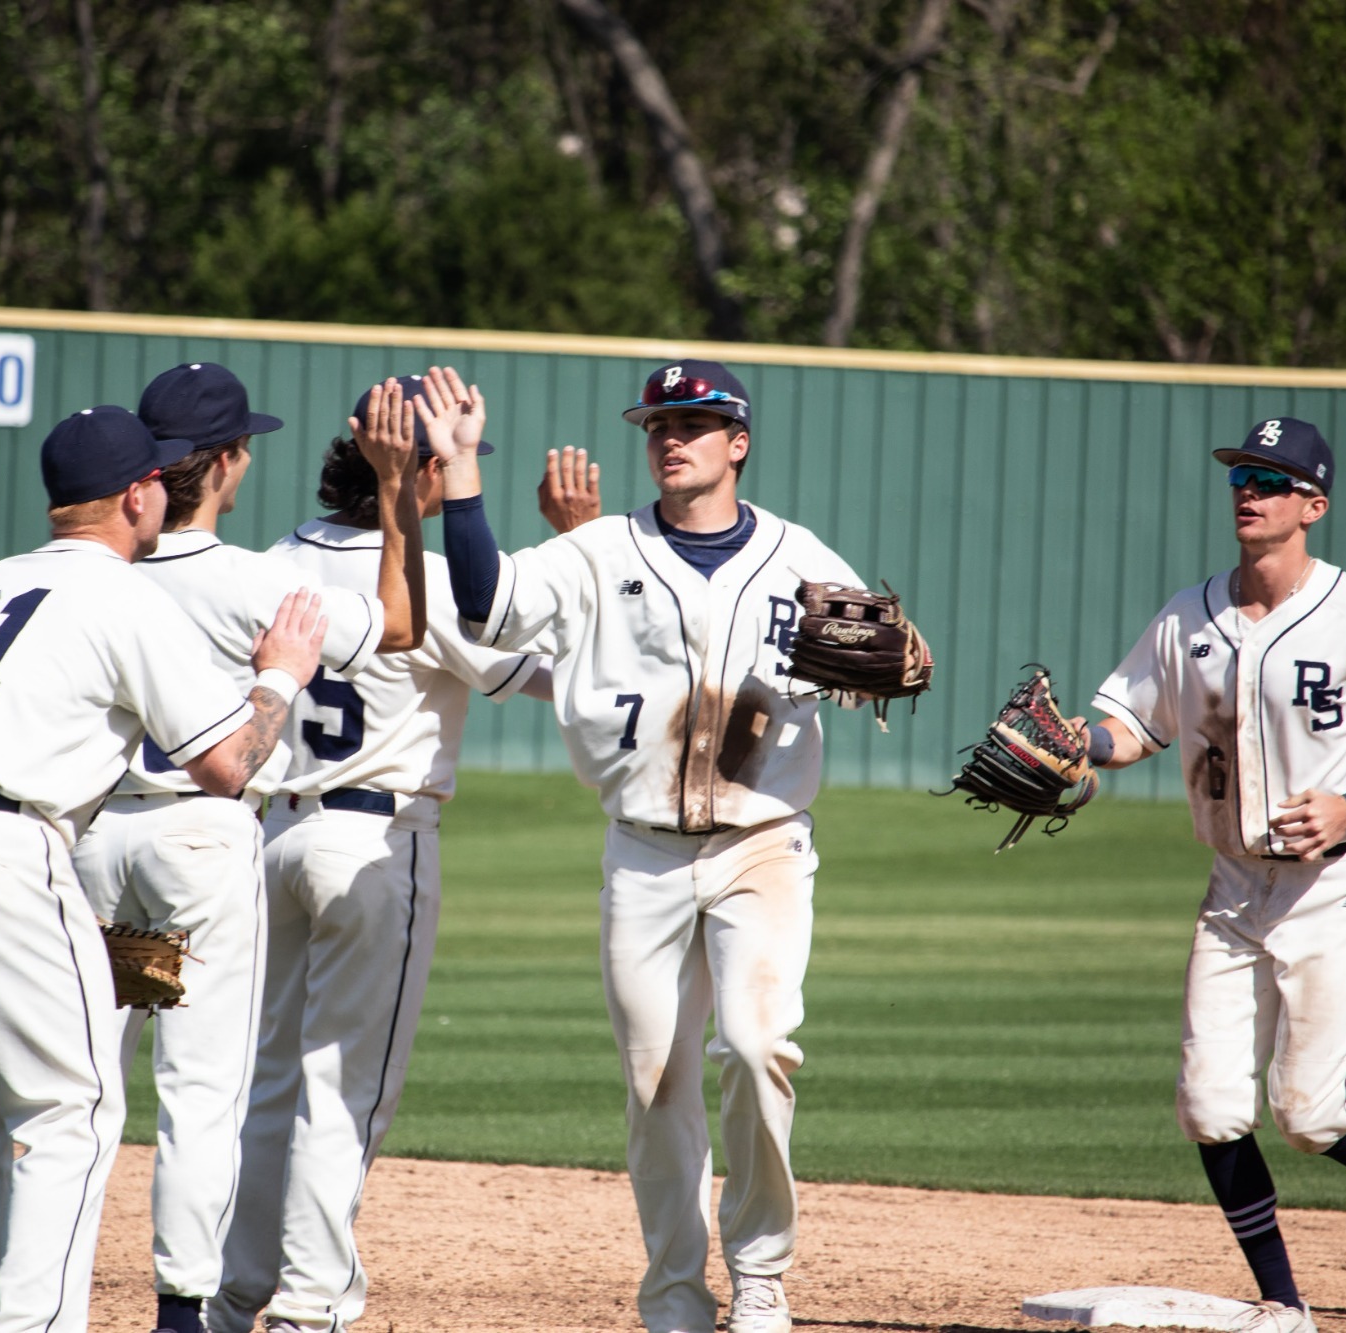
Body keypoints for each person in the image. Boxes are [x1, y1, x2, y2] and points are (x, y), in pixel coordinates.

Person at [0, 404, 327, 1333]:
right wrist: (279, 676)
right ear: (135, 494)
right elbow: (229, 765)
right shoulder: (120, 594)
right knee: (69, 1106)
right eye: (153, 476)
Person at [431, 359, 877, 1333]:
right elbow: (482, 606)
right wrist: (460, 469)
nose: (669, 435)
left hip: (758, 842)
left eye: (693, 420)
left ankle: (758, 1273)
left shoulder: (800, 558)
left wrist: (898, 658)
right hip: (640, 852)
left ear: (737, 442)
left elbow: (877, 658)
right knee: (655, 1082)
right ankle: (675, 1291)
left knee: (758, 1045)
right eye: (657, 422)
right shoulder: (595, 550)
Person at [1083, 418, 1346, 1333]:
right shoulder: (1189, 613)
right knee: (1212, 1108)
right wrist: (1076, 749)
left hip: (1334, 889)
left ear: (1313, 504)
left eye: (1271, 477)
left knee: (1310, 1113)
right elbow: (1129, 725)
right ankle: (1283, 1304)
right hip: (1232, 892)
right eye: (1240, 475)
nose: (1248, 490)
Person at [68, 365, 425, 1333]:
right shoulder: (255, 579)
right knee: (198, 1092)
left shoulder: (95, 574)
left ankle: (38, 1301)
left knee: (83, 1088)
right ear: (224, 461)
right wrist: (396, 492)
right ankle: (186, 1313)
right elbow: (397, 625)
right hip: (197, 844)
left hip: (96, 843)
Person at [214, 373, 566, 1333]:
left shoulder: (275, 558)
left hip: (272, 834)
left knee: (269, 1081)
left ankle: (236, 1289)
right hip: (374, 842)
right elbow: (552, 677)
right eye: (448, 465)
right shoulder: (434, 577)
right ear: (410, 468)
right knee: (347, 1087)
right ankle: (312, 1300)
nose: (458, 481)